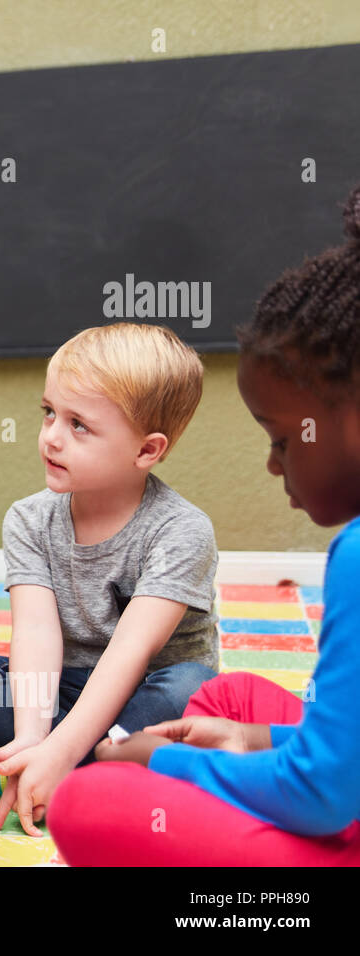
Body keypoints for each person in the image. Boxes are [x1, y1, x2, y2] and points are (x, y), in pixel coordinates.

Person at [47, 185, 360, 865]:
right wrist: (250, 742)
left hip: (336, 800)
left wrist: (164, 765)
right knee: (228, 699)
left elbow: (323, 792)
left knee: (88, 802)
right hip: (340, 782)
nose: (275, 465)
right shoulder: (35, 521)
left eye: (282, 440)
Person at [0, 322, 219, 836]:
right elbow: (37, 633)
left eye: (79, 425)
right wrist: (36, 734)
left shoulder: (183, 531)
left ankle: (33, 769)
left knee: (192, 690)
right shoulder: (28, 518)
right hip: (60, 686)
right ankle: (72, 768)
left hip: (144, 694)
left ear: (147, 450)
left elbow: (131, 652)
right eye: (49, 413)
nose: (52, 437)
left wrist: (59, 748)